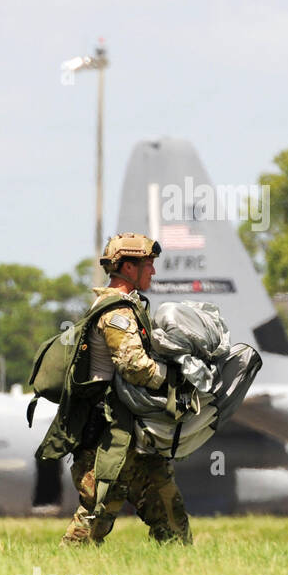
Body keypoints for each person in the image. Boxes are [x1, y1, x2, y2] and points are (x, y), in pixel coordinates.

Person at [42, 233, 192, 546]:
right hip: (107, 438)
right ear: (126, 266)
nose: (153, 271)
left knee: (169, 513)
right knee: (98, 513)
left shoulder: (128, 307)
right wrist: (178, 379)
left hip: (130, 436)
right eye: (147, 264)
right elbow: (134, 366)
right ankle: (63, 570)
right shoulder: (116, 313)